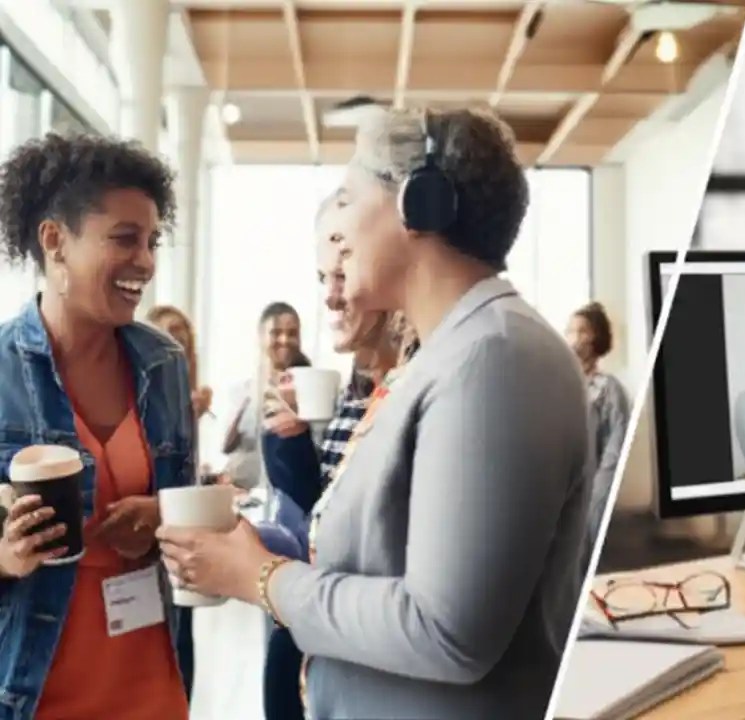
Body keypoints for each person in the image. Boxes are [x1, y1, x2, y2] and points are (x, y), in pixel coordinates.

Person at [158, 106, 592, 719]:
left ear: (420, 205)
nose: (338, 234)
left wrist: (261, 577)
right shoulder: (450, 355)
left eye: (347, 198)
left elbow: (446, 631)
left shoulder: (493, 356)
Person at [0, 133, 191, 719]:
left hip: (151, 681)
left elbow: (184, 506)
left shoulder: (164, 364)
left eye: (152, 241)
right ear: (54, 241)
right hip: (31, 689)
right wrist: (5, 556)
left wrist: (162, 516)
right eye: (125, 238)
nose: (146, 261)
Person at [254, 192, 411, 720]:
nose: (330, 298)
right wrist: (289, 438)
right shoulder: (353, 391)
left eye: (343, 277)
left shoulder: (411, 391)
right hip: (319, 625)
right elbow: (318, 507)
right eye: (323, 279)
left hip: (364, 642)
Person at [143, 305, 203, 702]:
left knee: (181, 639)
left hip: (180, 542)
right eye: (163, 335)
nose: (171, 345)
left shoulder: (186, 402)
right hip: (142, 547)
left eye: (179, 338)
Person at [564, 301, 631, 555]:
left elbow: (615, 451)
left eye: (582, 331)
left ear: (596, 338)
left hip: (591, 491)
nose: (574, 337)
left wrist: (599, 497)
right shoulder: (561, 385)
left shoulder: (609, 390)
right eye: (570, 330)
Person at [221, 302, 305, 490]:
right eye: (276, 333)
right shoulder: (242, 391)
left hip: (287, 496)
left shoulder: (309, 391)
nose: (284, 340)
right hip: (243, 494)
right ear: (261, 337)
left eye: (292, 333)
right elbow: (225, 447)